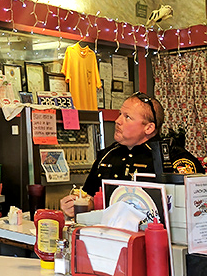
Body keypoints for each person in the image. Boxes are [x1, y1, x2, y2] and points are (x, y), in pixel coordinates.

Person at [60, 92, 204, 218]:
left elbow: (194, 209)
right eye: (119, 114)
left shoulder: (173, 158)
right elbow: (88, 196)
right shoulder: (107, 155)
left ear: (149, 128)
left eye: (127, 117)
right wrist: (77, 204)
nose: (118, 121)